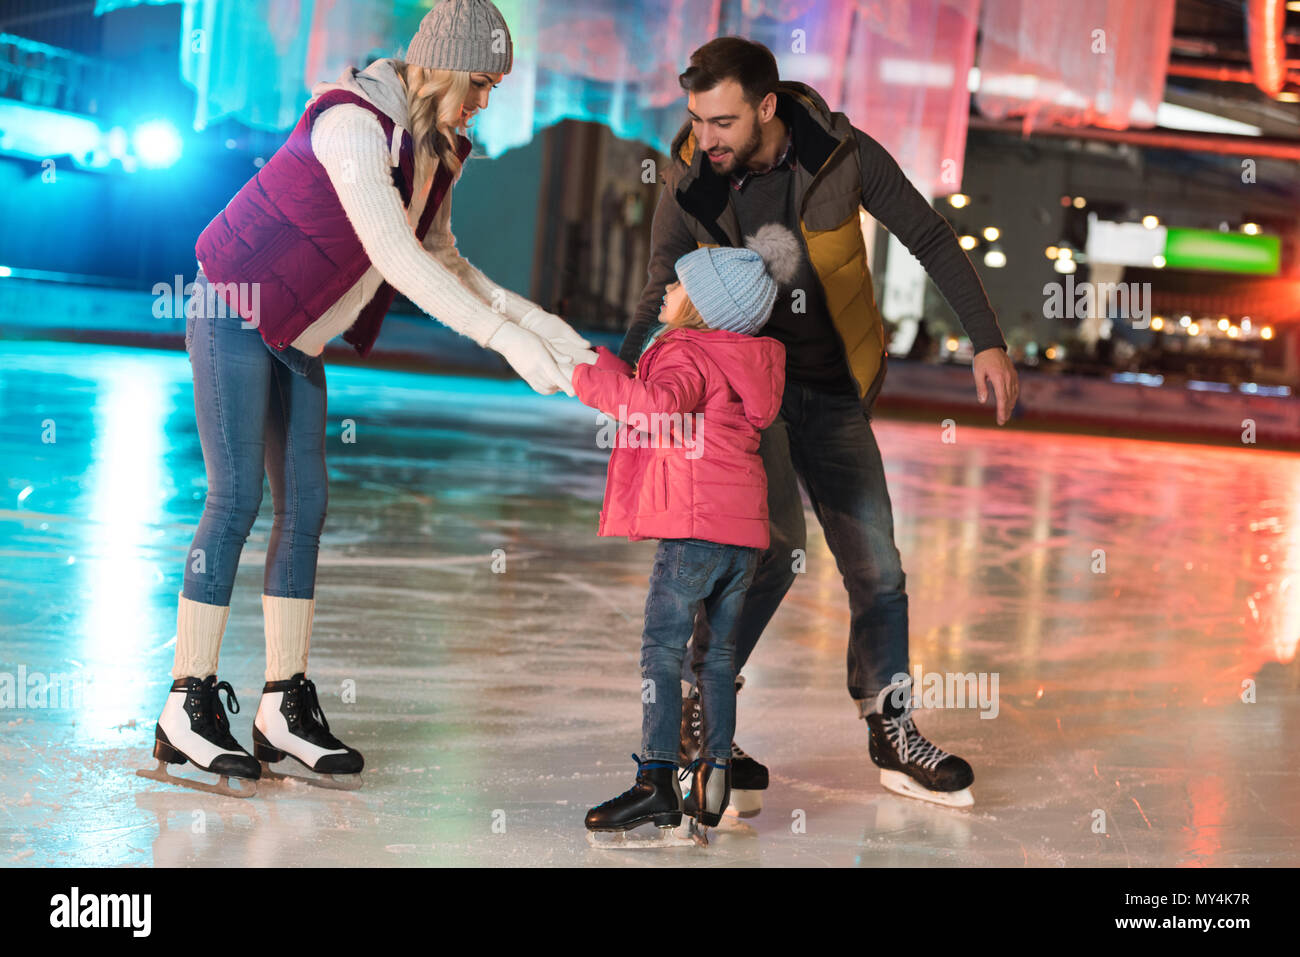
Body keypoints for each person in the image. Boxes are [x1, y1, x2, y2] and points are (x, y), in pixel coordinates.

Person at [144, 0, 593, 796]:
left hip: (297, 333)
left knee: (307, 504)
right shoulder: (352, 125)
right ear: (440, 66)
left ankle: (282, 703)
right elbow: (393, 254)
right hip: (234, 307)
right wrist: (504, 342)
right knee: (237, 494)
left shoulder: (437, 150)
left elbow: (447, 262)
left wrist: (544, 326)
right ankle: (186, 702)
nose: (484, 102)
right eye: (480, 84)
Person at [621, 37, 1021, 808]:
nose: (708, 138)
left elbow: (930, 235)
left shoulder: (840, 154)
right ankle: (706, 707)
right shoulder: (691, 178)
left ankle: (892, 729)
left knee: (879, 565)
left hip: (834, 389)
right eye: (699, 120)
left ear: (767, 107)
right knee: (771, 551)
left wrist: (989, 340)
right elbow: (659, 285)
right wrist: (635, 376)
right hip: (748, 396)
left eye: (725, 121)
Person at [571, 225, 795, 843]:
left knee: (661, 651)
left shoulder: (687, 350)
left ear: (702, 305)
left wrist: (586, 380)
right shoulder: (747, 359)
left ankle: (657, 782)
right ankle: (713, 777)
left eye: (679, 282)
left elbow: (658, 408)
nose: (666, 288)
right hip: (743, 533)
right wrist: (608, 363)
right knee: (716, 659)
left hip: (694, 530)